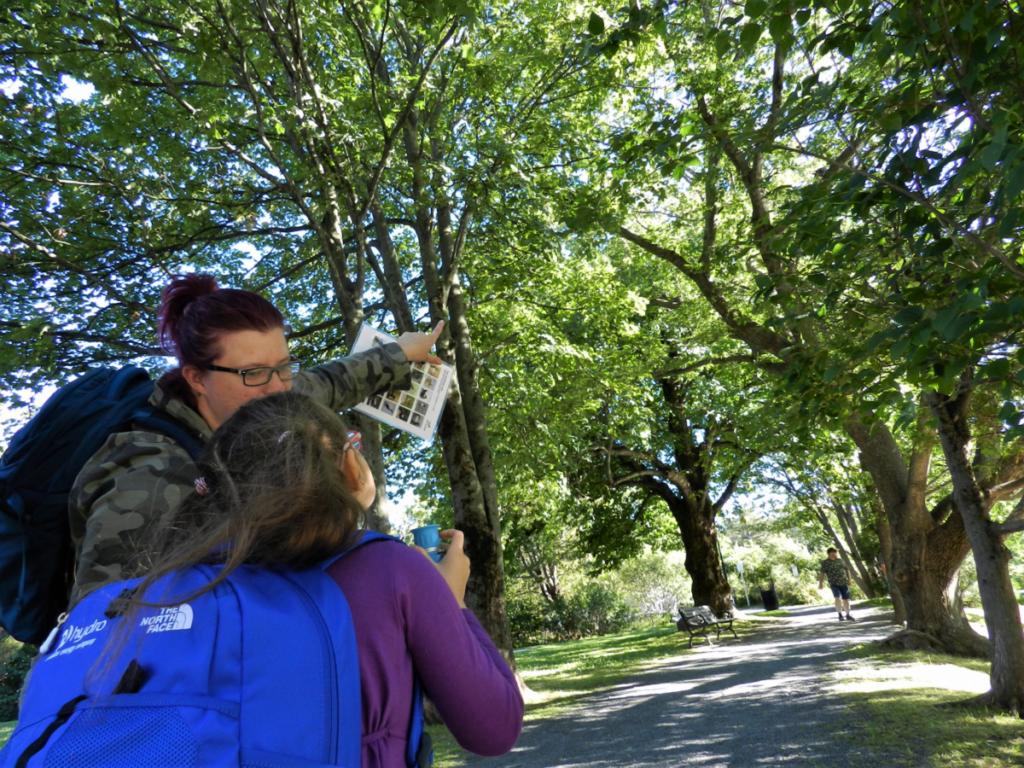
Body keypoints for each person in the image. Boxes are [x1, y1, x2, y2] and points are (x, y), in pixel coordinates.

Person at [131, 392, 523, 766]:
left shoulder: (177, 585)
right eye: (353, 443)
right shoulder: (391, 569)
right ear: (347, 466)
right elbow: (494, 729)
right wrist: (450, 598)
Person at [69, 273, 443, 606]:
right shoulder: (150, 479)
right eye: (254, 372)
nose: (279, 388)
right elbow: (102, 628)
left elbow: (329, 382)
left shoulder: (262, 397)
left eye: (284, 366)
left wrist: (399, 354)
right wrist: (342, 511)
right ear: (197, 378)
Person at [818, 547, 855, 621]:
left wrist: (849, 580)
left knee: (846, 599)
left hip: (844, 583)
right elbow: (822, 573)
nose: (835, 553)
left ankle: (848, 614)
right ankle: (840, 614)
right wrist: (820, 583)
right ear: (830, 554)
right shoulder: (825, 563)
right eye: (833, 552)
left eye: (835, 552)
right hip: (834, 583)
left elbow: (847, 570)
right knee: (838, 598)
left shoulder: (840, 561)